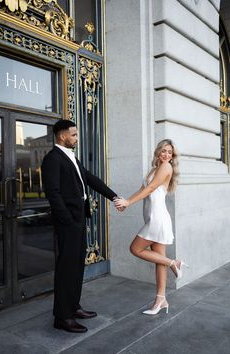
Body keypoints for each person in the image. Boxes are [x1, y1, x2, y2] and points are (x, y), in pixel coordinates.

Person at [41, 119, 117, 333]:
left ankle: (73, 307)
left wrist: (113, 197)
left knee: (76, 268)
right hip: (69, 224)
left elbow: (90, 179)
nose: (76, 138)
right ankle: (62, 317)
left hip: (79, 220)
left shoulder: (71, 157)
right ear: (62, 136)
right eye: (73, 134)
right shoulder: (52, 159)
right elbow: (53, 194)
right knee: (66, 270)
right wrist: (68, 221)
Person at [114, 139, 188, 315]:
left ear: (172, 156)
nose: (166, 155)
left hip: (158, 218)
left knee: (135, 248)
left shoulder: (166, 167)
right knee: (158, 260)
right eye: (164, 151)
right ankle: (161, 300)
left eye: (170, 152)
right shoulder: (155, 168)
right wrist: (126, 203)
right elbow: (143, 188)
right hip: (152, 217)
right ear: (158, 152)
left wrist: (129, 202)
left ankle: (174, 263)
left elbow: (152, 187)